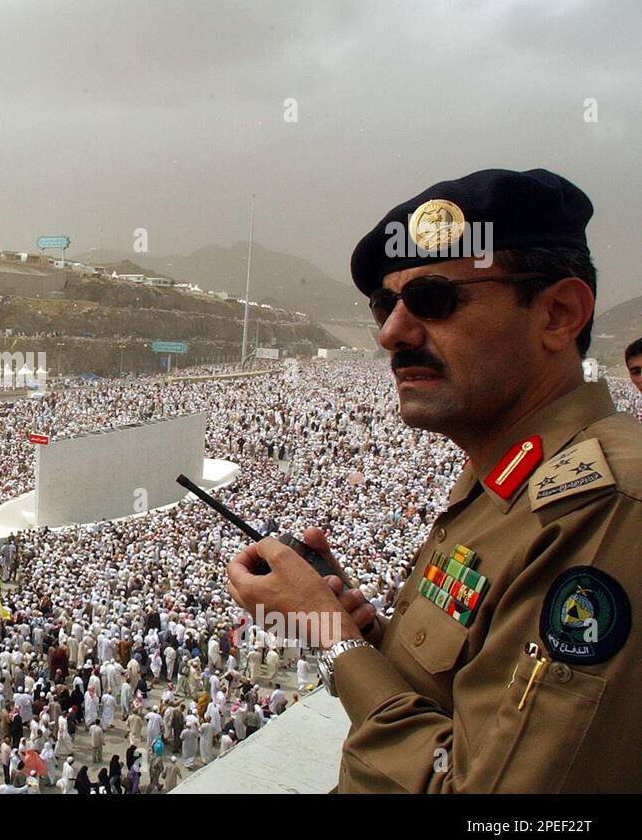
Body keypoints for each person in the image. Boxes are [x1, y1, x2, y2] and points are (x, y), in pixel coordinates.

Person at [229, 168, 642, 793]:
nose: (392, 332)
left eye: (433, 299)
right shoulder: (502, 482)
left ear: (558, 314)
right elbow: (468, 690)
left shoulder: (606, 507)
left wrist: (332, 638)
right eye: (383, 304)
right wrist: (368, 632)